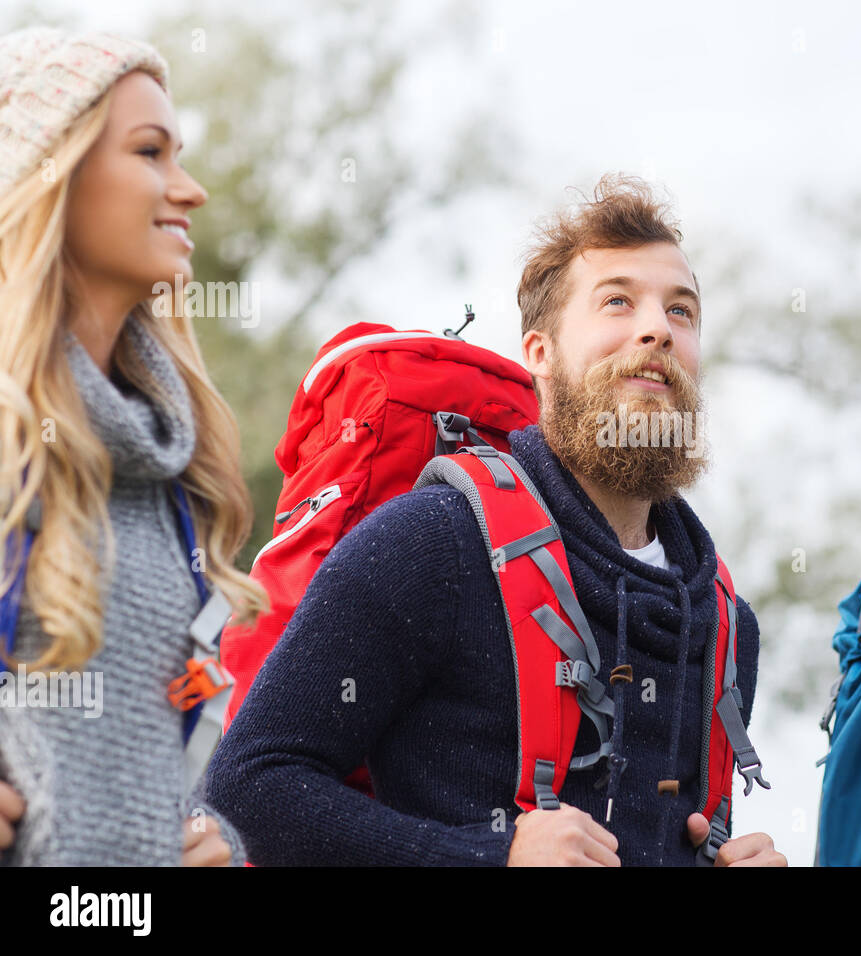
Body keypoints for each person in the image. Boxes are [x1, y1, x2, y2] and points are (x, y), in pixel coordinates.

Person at [206, 175, 786, 866]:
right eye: (617, 302)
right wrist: (492, 857)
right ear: (539, 356)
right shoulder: (432, 544)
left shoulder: (724, 625)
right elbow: (249, 788)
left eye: (681, 311)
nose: (657, 327)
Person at [0, 28, 265, 865]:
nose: (189, 190)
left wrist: (213, 832)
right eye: (150, 152)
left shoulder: (173, 470)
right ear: (52, 172)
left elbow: (175, 718)